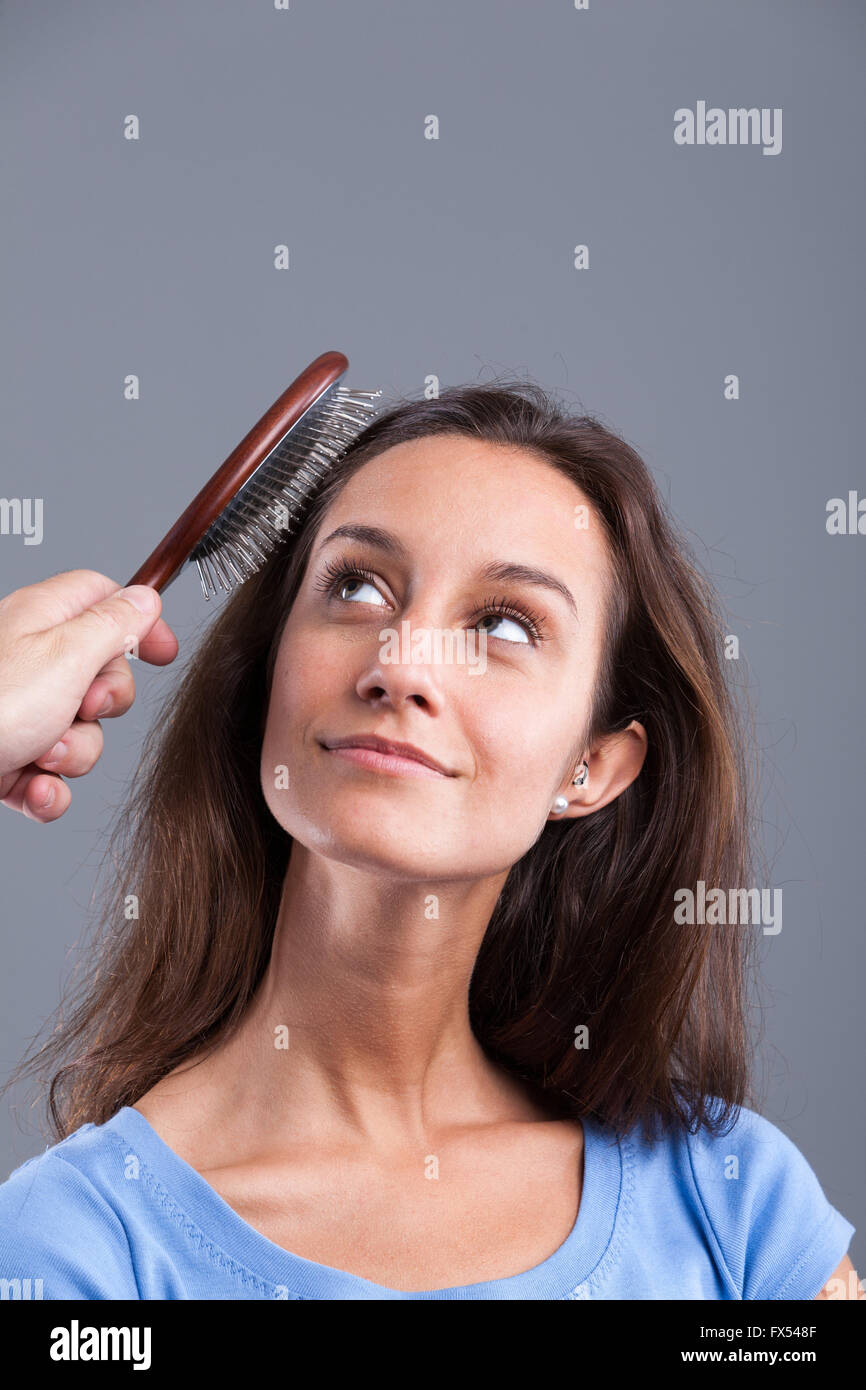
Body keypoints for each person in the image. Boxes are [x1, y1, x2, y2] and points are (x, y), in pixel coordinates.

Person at [0, 382, 859, 1300]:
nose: (402, 663)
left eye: (502, 624)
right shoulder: (78, 1252)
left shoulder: (731, 1207)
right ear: (272, 676)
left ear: (594, 765)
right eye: (357, 586)